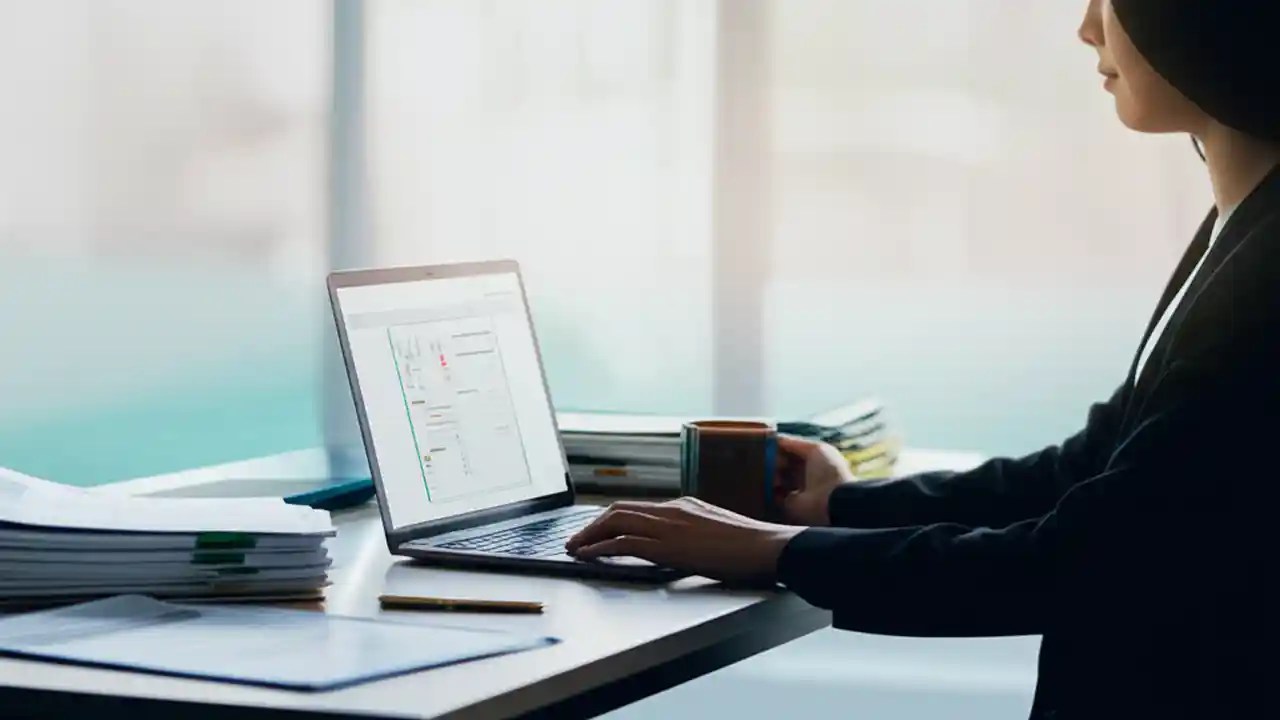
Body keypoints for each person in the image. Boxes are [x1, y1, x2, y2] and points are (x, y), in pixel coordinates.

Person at [566, 1, 1280, 717]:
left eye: (1111, 1)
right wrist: (842, 507)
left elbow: (1083, 561)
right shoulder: (1241, 225)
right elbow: (1095, 468)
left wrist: (778, 549)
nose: (1089, 27)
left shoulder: (1267, 279)